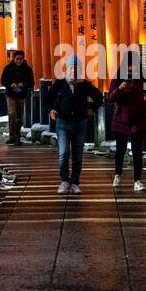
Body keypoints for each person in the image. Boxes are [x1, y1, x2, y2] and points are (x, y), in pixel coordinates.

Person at [42, 55, 103, 195]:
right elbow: (47, 100)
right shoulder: (59, 84)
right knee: (64, 152)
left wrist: (92, 108)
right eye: (71, 69)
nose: (73, 72)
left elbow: (99, 97)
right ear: (66, 69)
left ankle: (75, 182)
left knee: (78, 155)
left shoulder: (84, 84)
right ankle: (64, 180)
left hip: (80, 123)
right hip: (63, 123)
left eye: (76, 70)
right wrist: (51, 109)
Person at [106, 56, 146, 193]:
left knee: (137, 149)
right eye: (128, 66)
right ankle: (118, 175)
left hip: (138, 117)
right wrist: (119, 89)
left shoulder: (144, 77)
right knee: (120, 149)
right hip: (120, 117)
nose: (131, 69)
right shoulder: (118, 78)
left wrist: (144, 107)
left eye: (133, 66)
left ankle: (137, 180)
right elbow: (110, 97)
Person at [0, 49, 35, 146]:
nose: (19, 61)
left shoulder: (27, 69)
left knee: (19, 116)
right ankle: (12, 136)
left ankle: (17, 137)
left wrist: (23, 84)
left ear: (23, 59)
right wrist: (10, 84)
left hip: (21, 95)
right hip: (10, 95)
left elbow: (32, 82)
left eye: (20, 59)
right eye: (17, 59)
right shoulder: (8, 68)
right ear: (14, 59)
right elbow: (2, 80)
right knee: (12, 114)